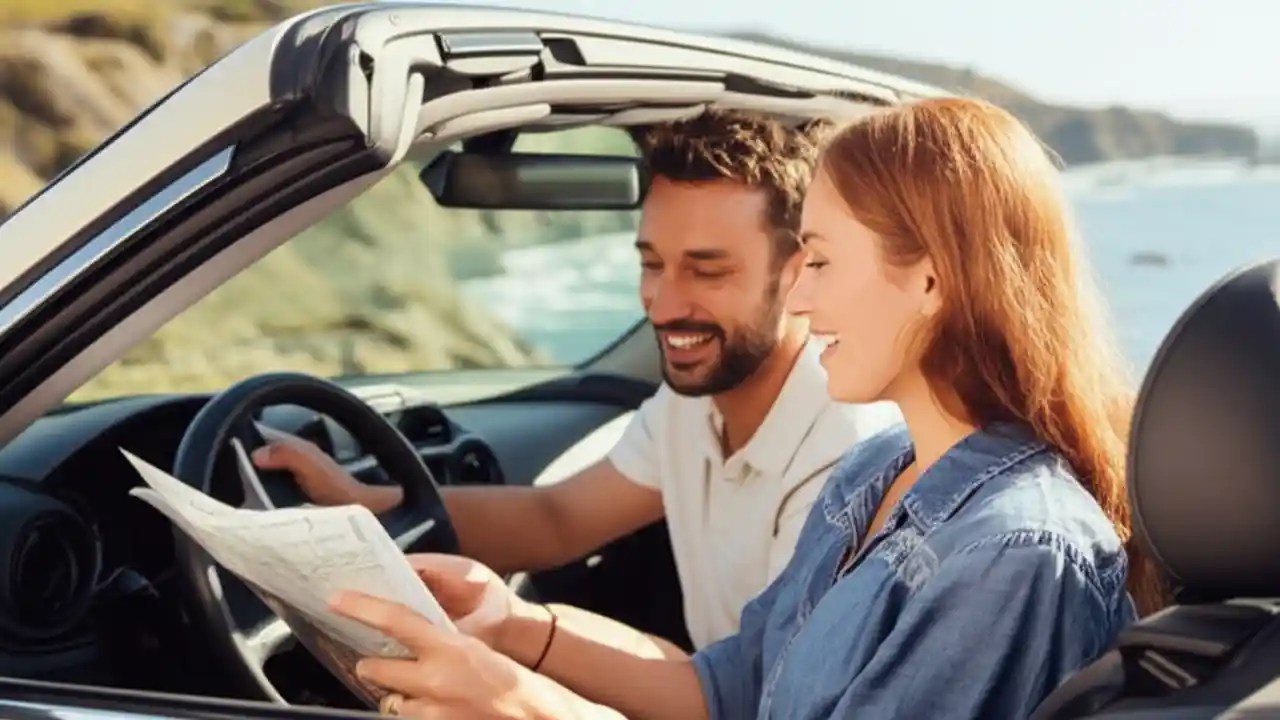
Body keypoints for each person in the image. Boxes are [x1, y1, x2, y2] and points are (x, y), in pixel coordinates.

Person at [324, 96, 1169, 720]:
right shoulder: (878, 470)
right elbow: (728, 686)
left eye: (822, 262)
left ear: (931, 280)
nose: (795, 294)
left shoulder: (1013, 555)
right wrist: (509, 624)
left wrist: (519, 706)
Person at [252, 110, 902, 650]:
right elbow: (556, 518)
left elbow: (761, 688)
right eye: (653, 264)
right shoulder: (693, 406)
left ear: (796, 274)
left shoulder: (846, 451)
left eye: (707, 272)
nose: (664, 302)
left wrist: (520, 648)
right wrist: (360, 501)